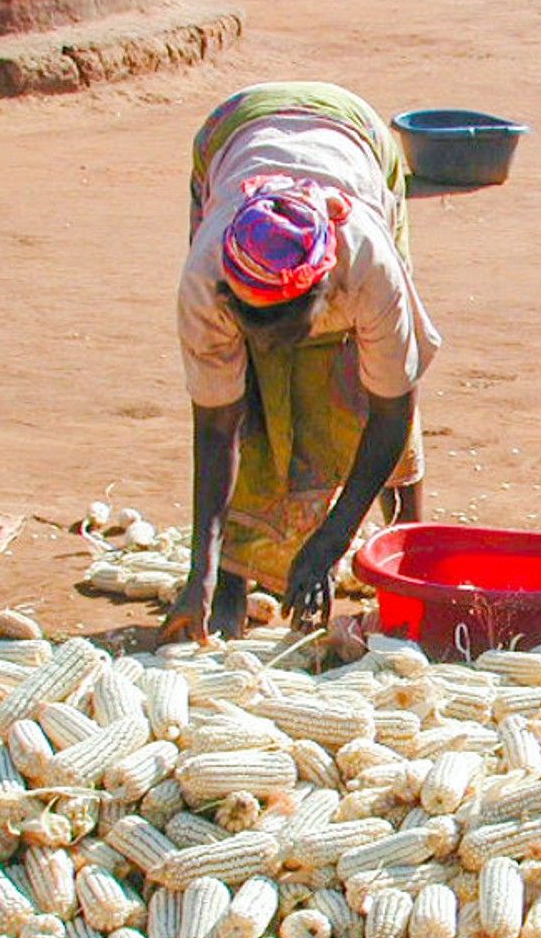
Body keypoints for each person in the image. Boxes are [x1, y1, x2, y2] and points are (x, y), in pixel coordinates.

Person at [160, 81, 442, 644]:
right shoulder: (204, 277)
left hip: (358, 134)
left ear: (324, 298)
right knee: (253, 399)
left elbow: (391, 406)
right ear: (226, 295)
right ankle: (233, 580)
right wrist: (201, 573)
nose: (273, 350)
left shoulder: (367, 265)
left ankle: (408, 530)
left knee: (378, 373)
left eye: (287, 333)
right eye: (255, 334)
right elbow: (216, 427)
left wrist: (329, 543)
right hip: (232, 129)